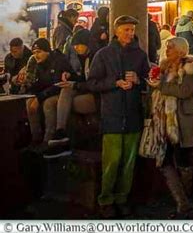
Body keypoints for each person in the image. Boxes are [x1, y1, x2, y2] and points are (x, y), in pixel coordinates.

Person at [87, 15, 149, 217]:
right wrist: (114, 83)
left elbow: (149, 81)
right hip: (112, 115)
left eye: (132, 30)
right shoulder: (103, 55)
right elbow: (92, 83)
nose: (130, 33)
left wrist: (139, 79)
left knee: (129, 162)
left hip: (132, 115)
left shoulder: (140, 55)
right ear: (116, 31)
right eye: (126, 30)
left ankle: (122, 198)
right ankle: (106, 200)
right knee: (111, 161)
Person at [149, 36, 193, 215]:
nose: (166, 50)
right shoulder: (166, 67)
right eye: (166, 47)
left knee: (182, 159)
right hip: (165, 120)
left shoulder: (190, 67)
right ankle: (182, 200)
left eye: (170, 47)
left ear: (181, 50)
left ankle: (184, 200)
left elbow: (184, 91)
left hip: (182, 119)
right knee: (166, 159)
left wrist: (161, 87)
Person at [43, 28, 97, 159]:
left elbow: (94, 83)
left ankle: (63, 137)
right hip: (84, 90)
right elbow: (83, 79)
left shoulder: (96, 57)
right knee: (56, 98)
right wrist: (70, 76)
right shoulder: (84, 58)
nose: (76, 48)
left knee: (67, 101)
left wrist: (75, 84)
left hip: (97, 96)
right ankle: (52, 137)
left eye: (79, 45)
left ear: (87, 43)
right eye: (75, 46)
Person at [24, 38, 73, 147]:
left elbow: (57, 85)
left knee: (48, 104)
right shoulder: (39, 63)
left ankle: (48, 140)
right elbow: (38, 84)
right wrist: (31, 91)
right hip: (48, 91)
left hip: (63, 92)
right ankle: (36, 138)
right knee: (29, 102)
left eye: (39, 52)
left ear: (47, 51)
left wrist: (39, 98)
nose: (36, 55)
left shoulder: (58, 60)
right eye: (34, 52)